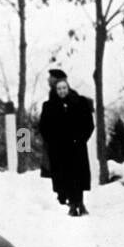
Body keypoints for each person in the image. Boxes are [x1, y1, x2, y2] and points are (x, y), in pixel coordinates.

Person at [39, 75, 94, 216]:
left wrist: (81, 139)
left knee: (78, 176)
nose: (62, 91)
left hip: (77, 147)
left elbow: (89, 124)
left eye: (64, 88)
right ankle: (71, 204)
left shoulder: (80, 102)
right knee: (65, 176)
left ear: (68, 88)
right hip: (59, 149)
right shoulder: (49, 106)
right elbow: (43, 127)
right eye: (59, 89)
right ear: (55, 90)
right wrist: (52, 142)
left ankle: (80, 203)